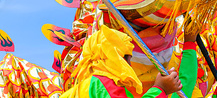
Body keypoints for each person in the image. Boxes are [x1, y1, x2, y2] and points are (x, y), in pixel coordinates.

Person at [61, 24, 199, 98]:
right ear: (115, 57)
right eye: (127, 59)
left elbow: (184, 87)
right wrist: (160, 89)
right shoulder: (101, 85)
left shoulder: (77, 90)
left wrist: (190, 45)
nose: (130, 66)